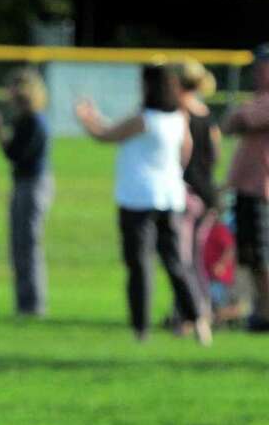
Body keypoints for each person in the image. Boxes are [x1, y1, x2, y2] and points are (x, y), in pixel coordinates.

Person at [75, 64, 210, 345]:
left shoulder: (144, 119)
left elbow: (106, 135)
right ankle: (198, 321)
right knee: (176, 263)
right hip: (170, 197)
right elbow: (185, 153)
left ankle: (141, 329)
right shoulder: (178, 118)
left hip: (138, 199)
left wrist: (85, 119)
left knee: (139, 265)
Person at [0, 66, 53, 317]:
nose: (7, 92)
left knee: (29, 246)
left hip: (33, 186)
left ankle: (33, 306)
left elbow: (14, 154)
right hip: (23, 184)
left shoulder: (33, 121)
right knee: (19, 246)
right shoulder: (23, 119)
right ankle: (24, 305)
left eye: (12, 87)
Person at [221, 46, 269, 332]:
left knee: (263, 256)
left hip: (262, 190)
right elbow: (230, 123)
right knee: (250, 255)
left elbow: (239, 120)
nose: (258, 72)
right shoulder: (258, 100)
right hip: (246, 188)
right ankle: (261, 312)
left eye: (263, 66)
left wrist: (243, 114)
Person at [176, 58, 222, 328]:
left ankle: (189, 315)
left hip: (188, 193)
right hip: (209, 193)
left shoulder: (181, 114)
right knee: (197, 259)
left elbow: (182, 154)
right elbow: (215, 155)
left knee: (183, 259)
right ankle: (202, 309)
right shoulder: (207, 114)